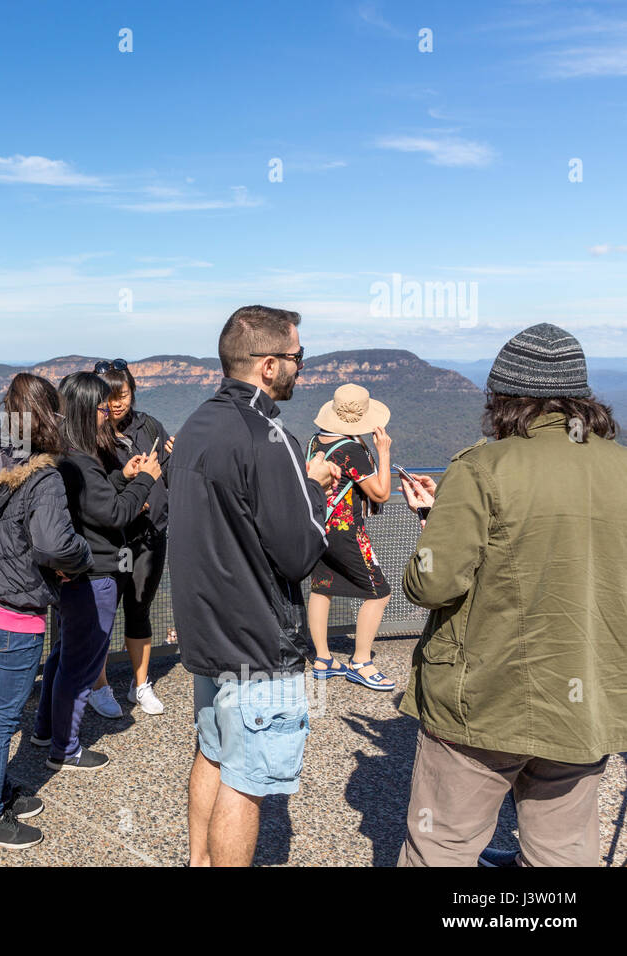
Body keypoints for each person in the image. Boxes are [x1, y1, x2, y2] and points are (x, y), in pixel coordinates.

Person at [396, 323, 627, 867]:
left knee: (443, 844)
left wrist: (433, 527)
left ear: (505, 396)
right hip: (586, 697)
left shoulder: (482, 468)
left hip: (486, 697)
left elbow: (432, 585)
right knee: (564, 850)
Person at [168, 305, 339, 867]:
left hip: (208, 633)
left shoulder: (196, 424)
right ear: (268, 366)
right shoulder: (270, 437)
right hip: (259, 642)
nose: (300, 369)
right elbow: (297, 555)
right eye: (296, 358)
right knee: (247, 782)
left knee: (212, 754)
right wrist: (312, 488)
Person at [0, 373, 93, 849]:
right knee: (2, 718)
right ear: (49, 417)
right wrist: (82, 557)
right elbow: (55, 544)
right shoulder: (43, 476)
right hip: (16, 616)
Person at [30, 371, 161, 771]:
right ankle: (65, 750)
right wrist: (146, 481)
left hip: (70, 575)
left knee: (63, 654)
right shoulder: (81, 462)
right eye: (104, 407)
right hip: (94, 574)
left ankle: (45, 730)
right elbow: (114, 513)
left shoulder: (67, 455)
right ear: (89, 410)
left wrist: (122, 476)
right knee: (81, 664)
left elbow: (94, 501)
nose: (110, 414)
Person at [87, 359, 174, 717]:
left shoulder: (148, 425)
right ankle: (98, 686)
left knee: (139, 608)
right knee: (102, 613)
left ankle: (140, 685)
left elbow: (164, 472)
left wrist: (174, 455)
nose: (118, 403)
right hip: (111, 538)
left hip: (150, 536)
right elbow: (95, 490)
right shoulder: (92, 433)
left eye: (123, 394)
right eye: (110, 397)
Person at [304, 384, 395, 690]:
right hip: (346, 531)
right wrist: (383, 451)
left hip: (319, 526)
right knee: (380, 592)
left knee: (322, 586)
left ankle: (323, 658)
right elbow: (380, 493)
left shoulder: (316, 441)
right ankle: (361, 662)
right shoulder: (352, 450)